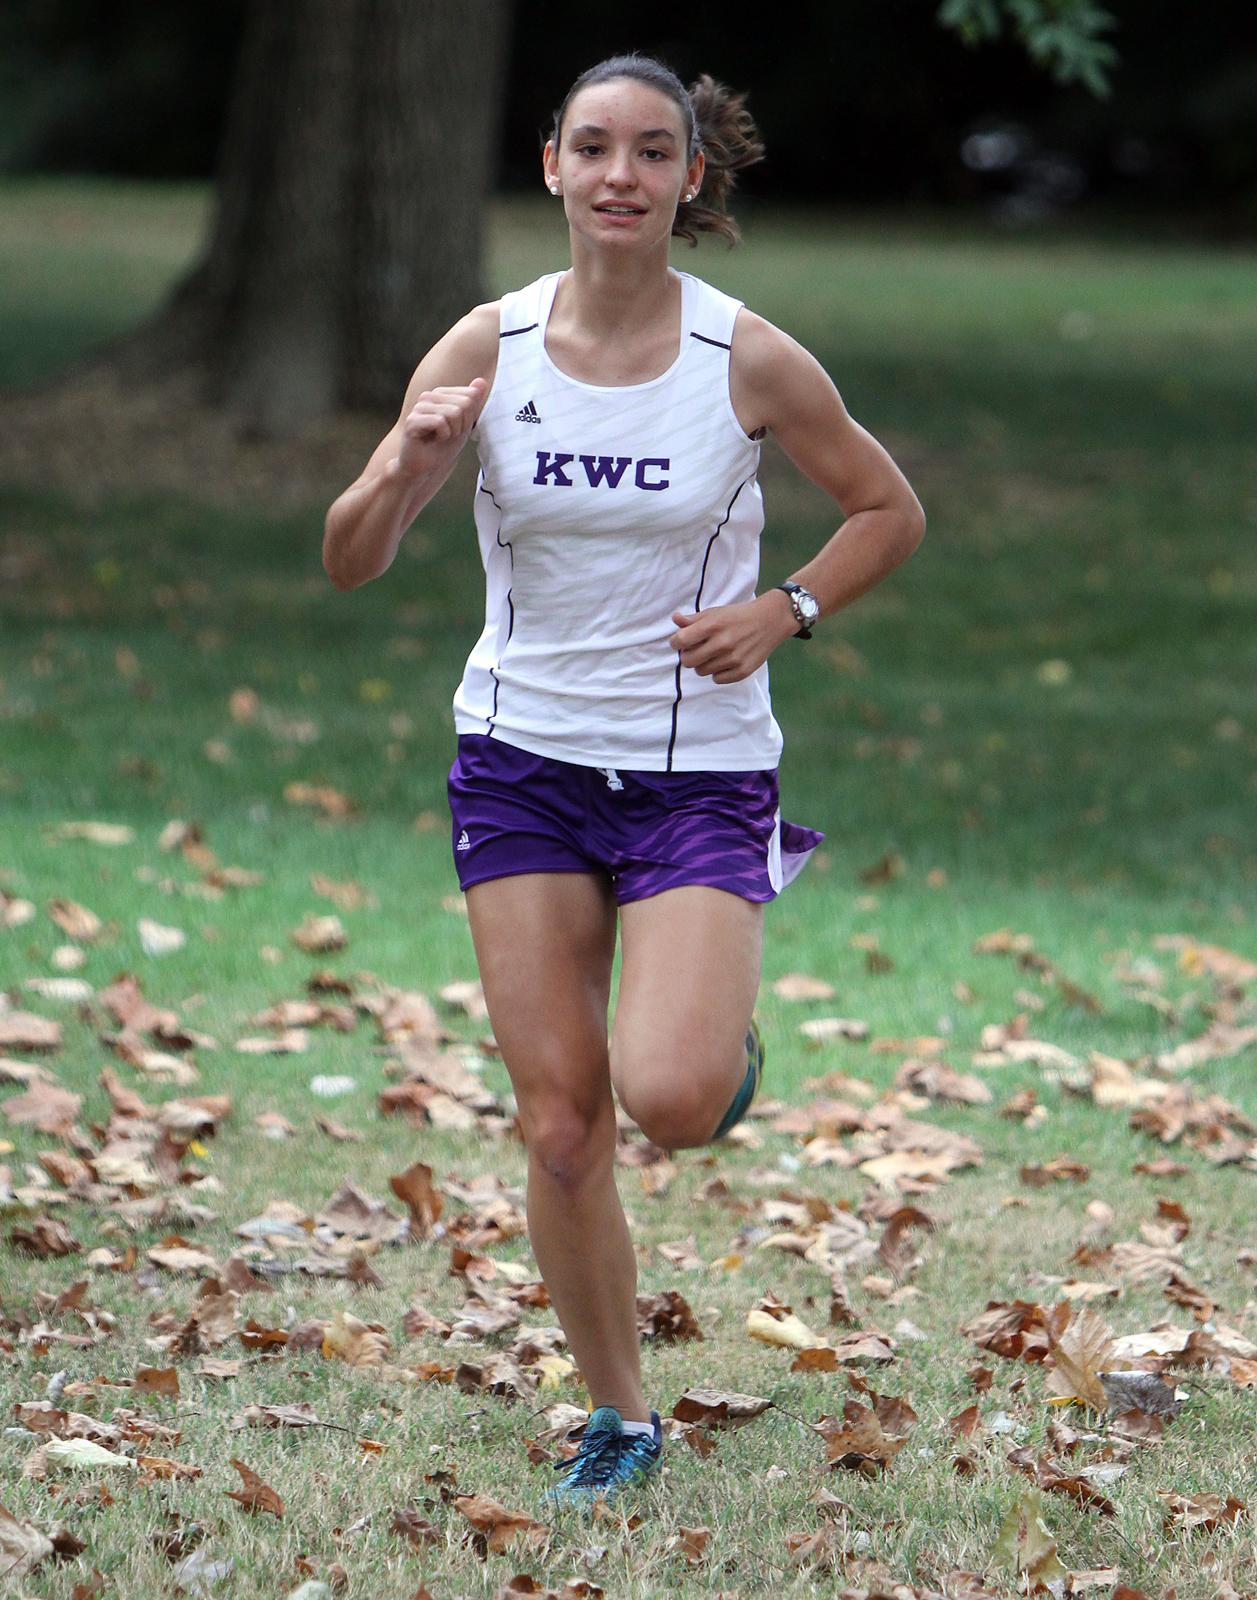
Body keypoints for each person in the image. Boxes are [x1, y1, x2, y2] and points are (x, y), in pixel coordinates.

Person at [323, 52, 925, 1507]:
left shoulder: (747, 359)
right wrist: (403, 464)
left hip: (693, 774)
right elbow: (348, 556)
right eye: (591, 148)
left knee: (664, 1094)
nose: (618, 176)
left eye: (650, 153)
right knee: (557, 1124)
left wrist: (785, 610)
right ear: (548, 167)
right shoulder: (484, 345)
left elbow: (886, 508)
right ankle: (620, 1415)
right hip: (518, 761)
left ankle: (716, 1059)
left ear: (687, 179)